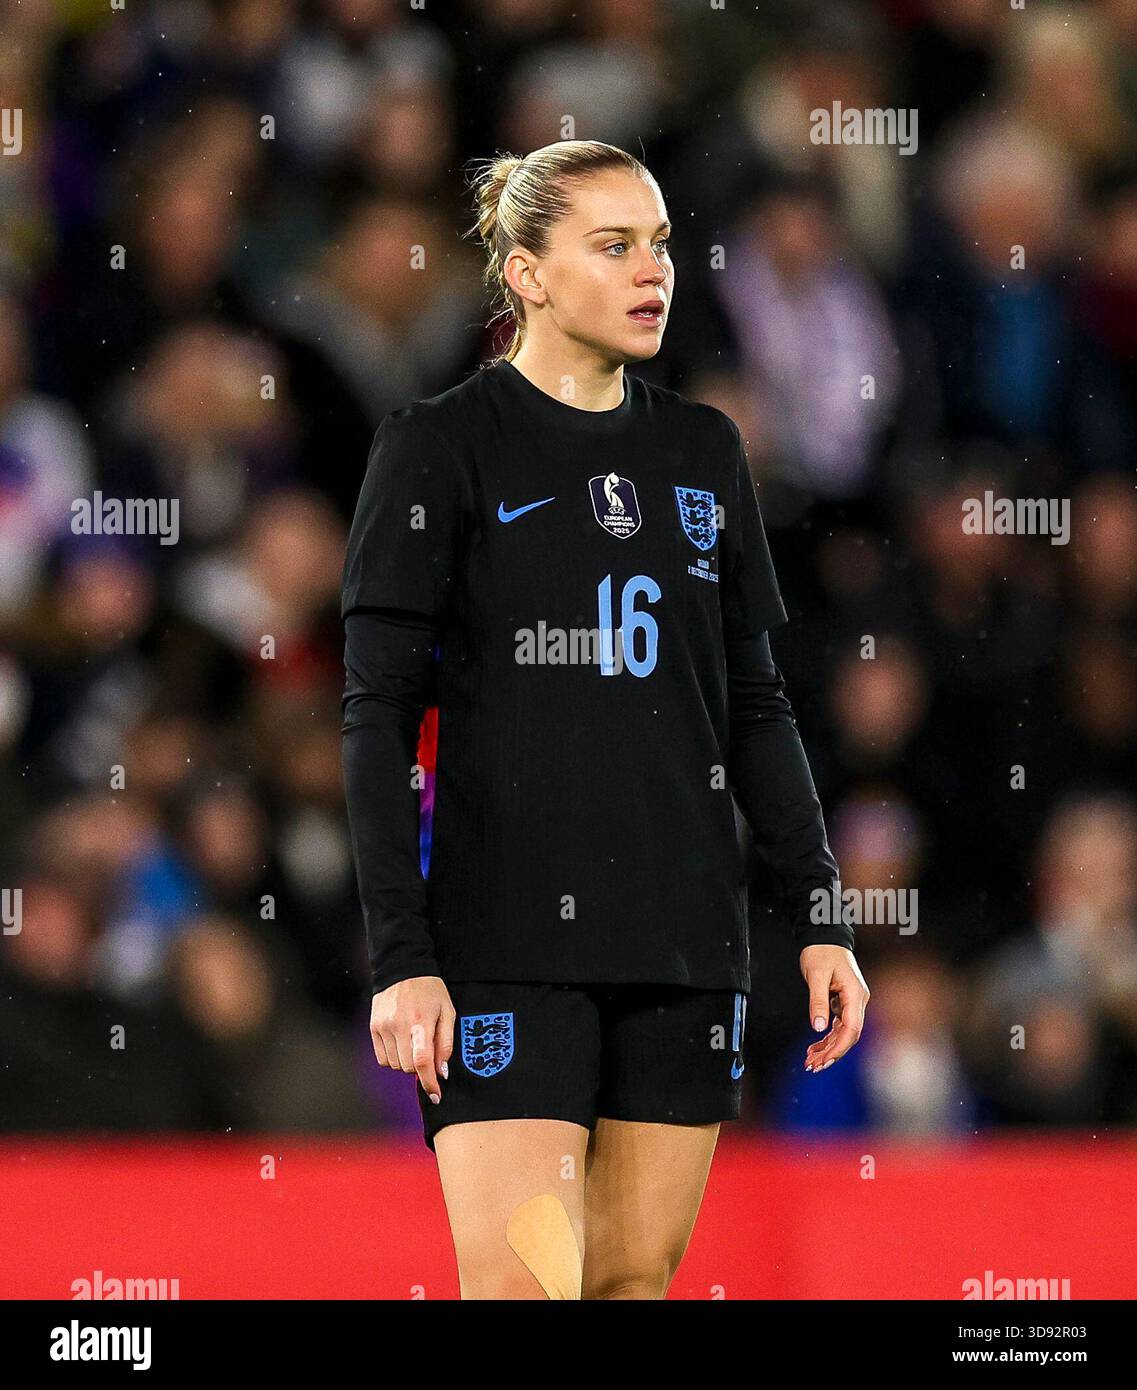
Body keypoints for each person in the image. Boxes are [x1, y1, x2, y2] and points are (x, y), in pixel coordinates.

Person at [341, 140, 870, 1300]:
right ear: (526, 273)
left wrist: (820, 910)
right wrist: (401, 959)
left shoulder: (703, 450)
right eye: (615, 245)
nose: (655, 272)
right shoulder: (438, 447)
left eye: (665, 244)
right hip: (503, 940)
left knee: (630, 1288)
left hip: (683, 939)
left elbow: (756, 704)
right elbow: (376, 718)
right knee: (526, 1289)